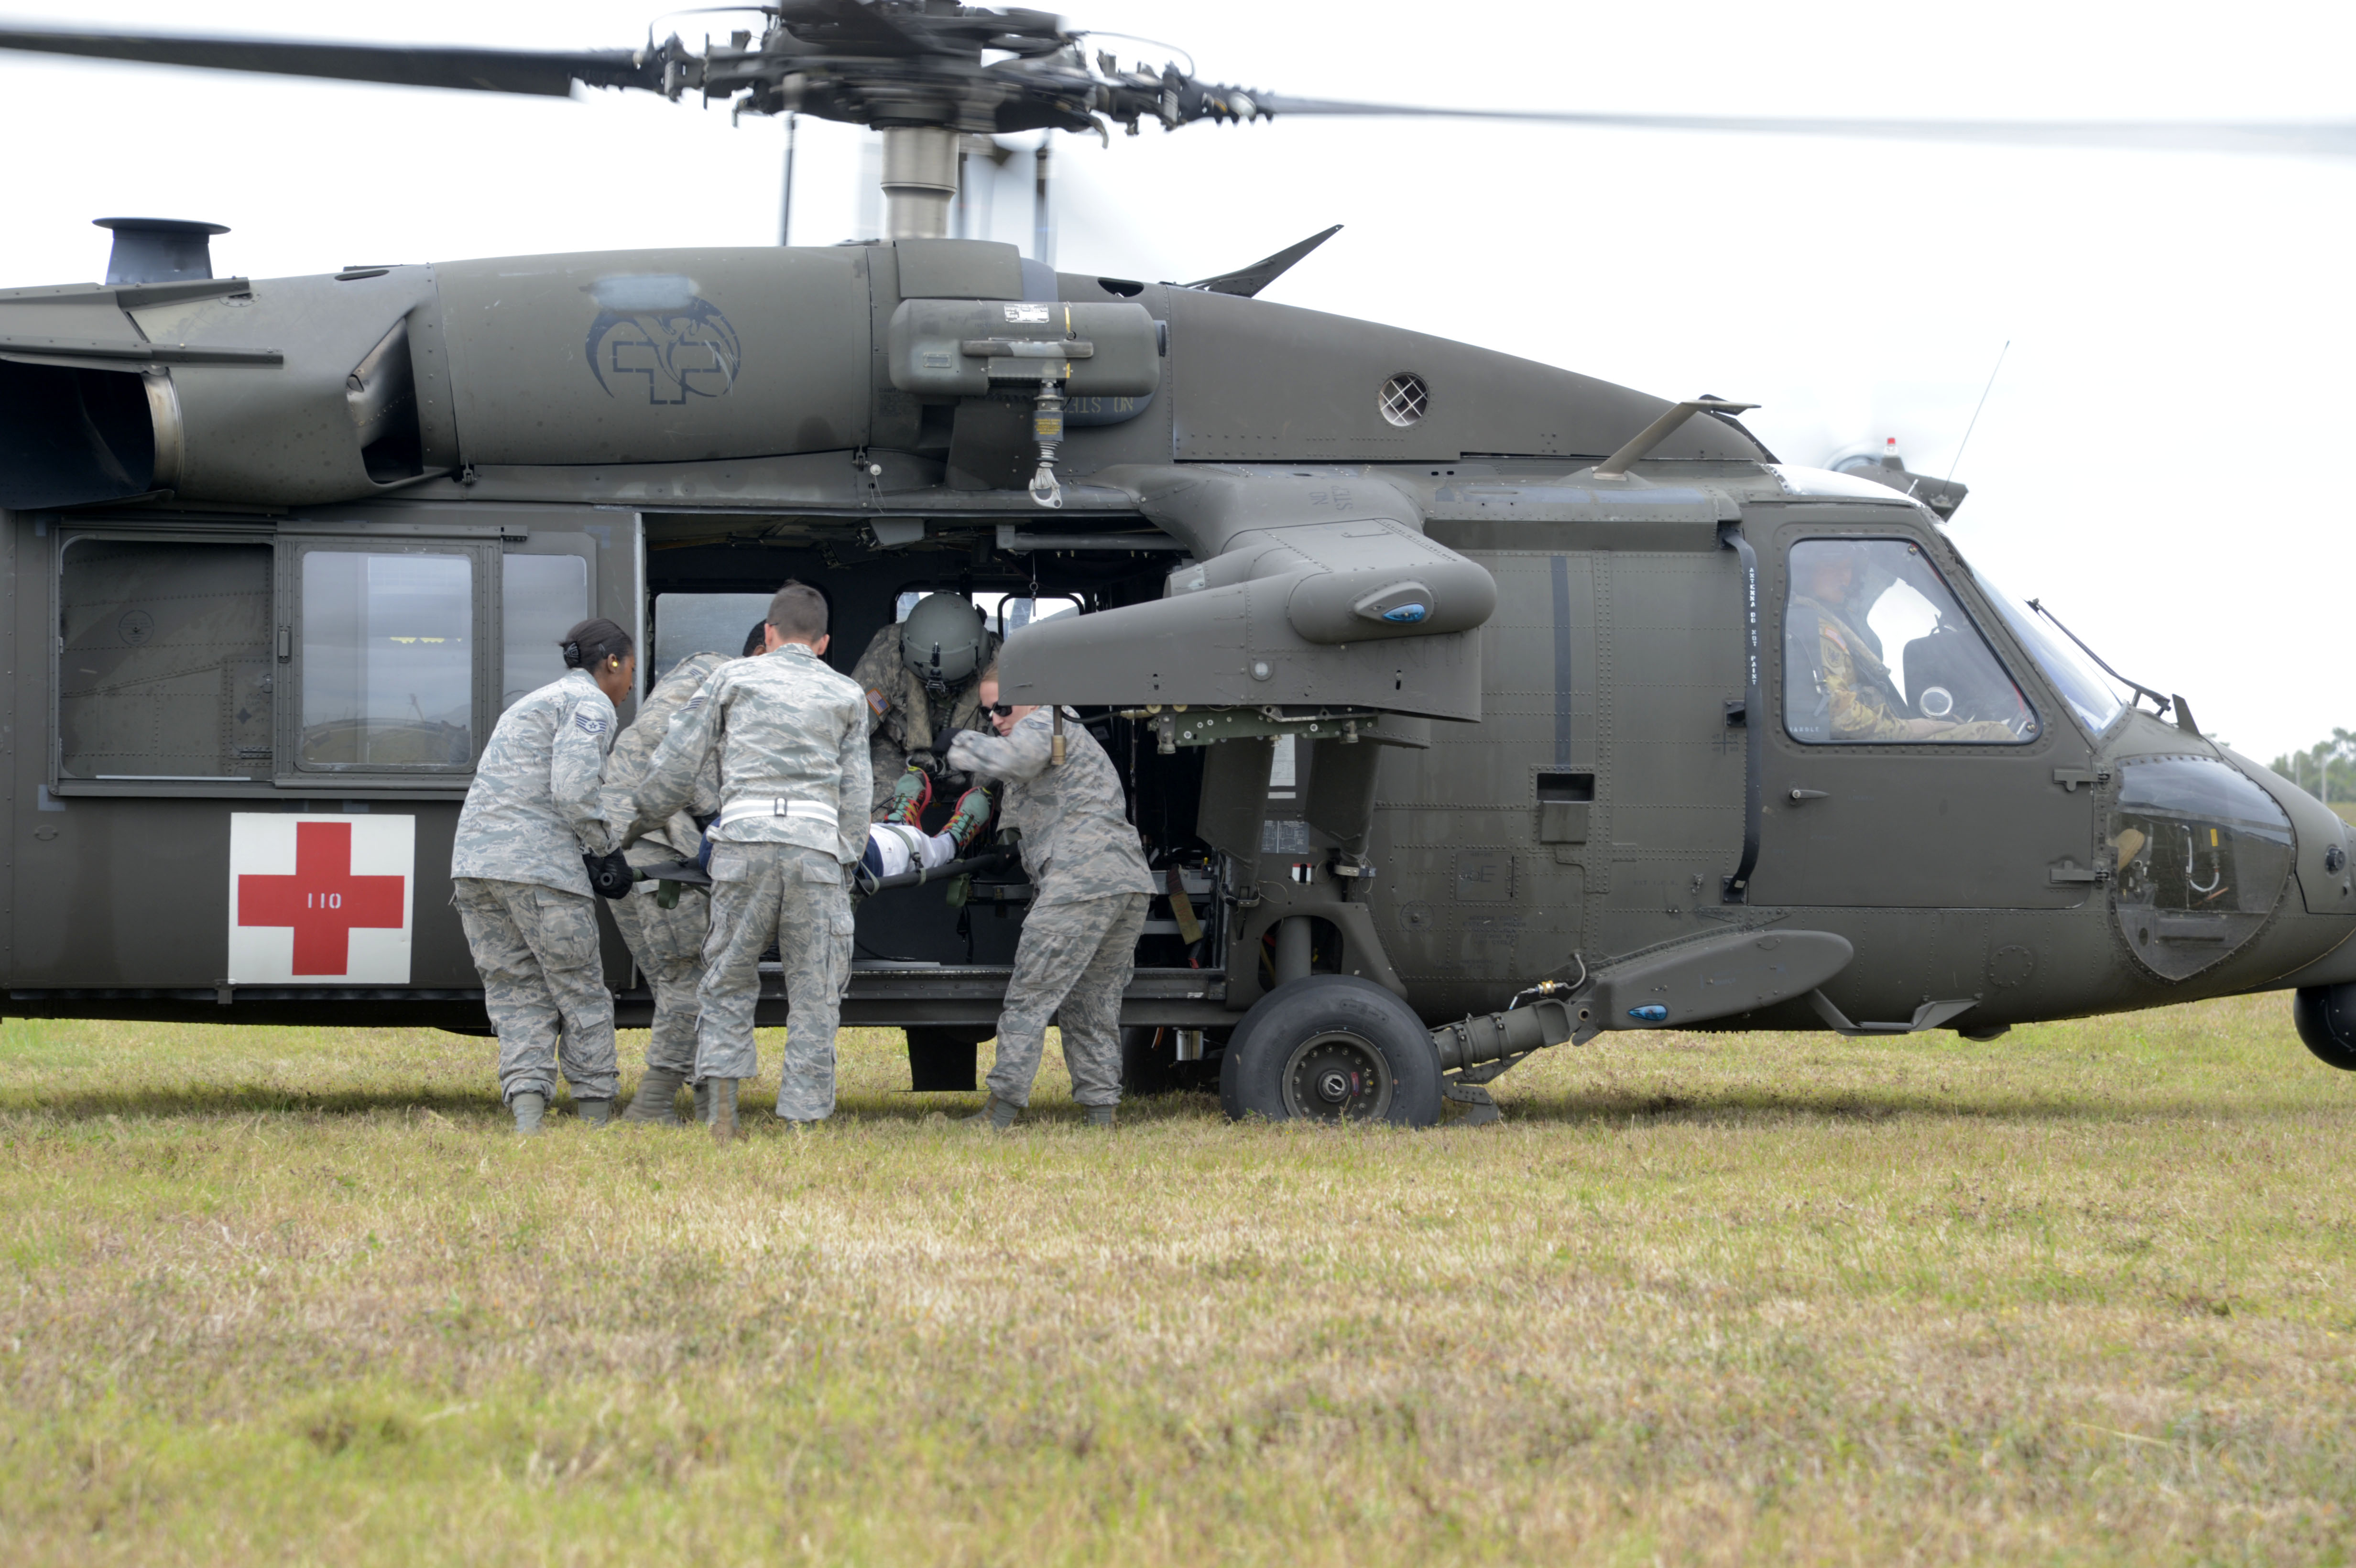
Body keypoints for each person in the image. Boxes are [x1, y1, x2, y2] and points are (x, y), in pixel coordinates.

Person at [633, 582, 870, 1142]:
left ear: (768, 633)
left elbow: (674, 765)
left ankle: (722, 1117)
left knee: (728, 980)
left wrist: (636, 821)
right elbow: (858, 795)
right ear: (823, 642)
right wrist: (846, 864)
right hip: (815, 848)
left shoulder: (732, 677)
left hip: (742, 845)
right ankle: (802, 1127)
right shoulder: (846, 693)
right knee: (815, 990)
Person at [945, 664, 1155, 1130]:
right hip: (1125, 882)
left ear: (1033, 695)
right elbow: (1016, 791)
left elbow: (1012, 760)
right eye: (987, 713)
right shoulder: (1053, 733)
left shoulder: (1047, 720)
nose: (996, 719)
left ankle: (998, 1115)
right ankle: (1100, 1117)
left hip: (1082, 878)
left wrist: (955, 743)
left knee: (1029, 997)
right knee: (1092, 1005)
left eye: (1002, 707)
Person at [450, 617, 635, 1135]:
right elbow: (574, 789)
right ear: (612, 662)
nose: (628, 689)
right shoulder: (590, 704)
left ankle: (528, 1119)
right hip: (538, 870)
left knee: (515, 990)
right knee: (580, 989)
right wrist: (608, 851)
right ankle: (595, 1116)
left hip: (474, 869)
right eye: (630, 672)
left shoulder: (533, 702)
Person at [602, 648, 731, 1125]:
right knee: (688, 976)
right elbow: (687, 761)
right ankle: (651, 1106)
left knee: (671, 977)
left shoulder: (694, 671)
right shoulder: (728, 678)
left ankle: (706, 1100)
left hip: (622, 840)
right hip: (657, 841)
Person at [1792, 546, 2013, 743]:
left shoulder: (1831, 620)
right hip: (1869, 748)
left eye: (1847, 568)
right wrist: (1907, 729)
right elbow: (1838, 716)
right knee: (1995, 736)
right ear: (1807, 572)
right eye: (1831, 568)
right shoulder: (1815, 630)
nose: (1844, 578)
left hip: (1875, 740)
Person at [851, 592, 999, 819]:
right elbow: (853, 724)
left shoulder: (1000, 662)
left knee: (998, 789)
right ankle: (883, 844)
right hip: (901, 752)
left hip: (975, 755)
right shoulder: (887, 653)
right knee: (882, 797)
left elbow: (1020, 732)